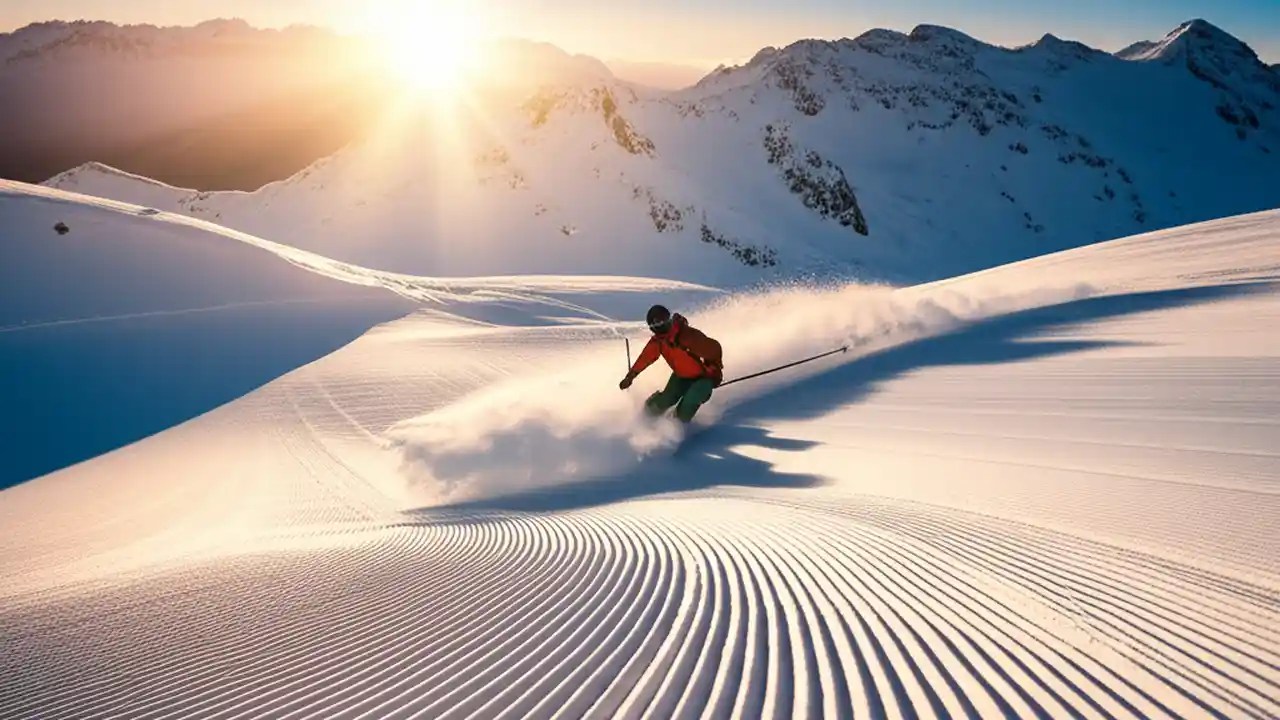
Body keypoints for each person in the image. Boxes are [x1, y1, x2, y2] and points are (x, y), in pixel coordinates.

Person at [619, 305, 723, 423]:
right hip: (682, 376)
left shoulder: (687, 335)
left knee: (690, 400)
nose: (659, 327)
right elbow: (645, 358)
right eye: (655, 325)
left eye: (662, 321)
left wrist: (715, 370)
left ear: (668, 319)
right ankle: (645, 416)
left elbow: (714, 349)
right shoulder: (659, 341)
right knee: (667, 398)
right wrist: (630, 376)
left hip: (704, 378)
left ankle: (676, 425)